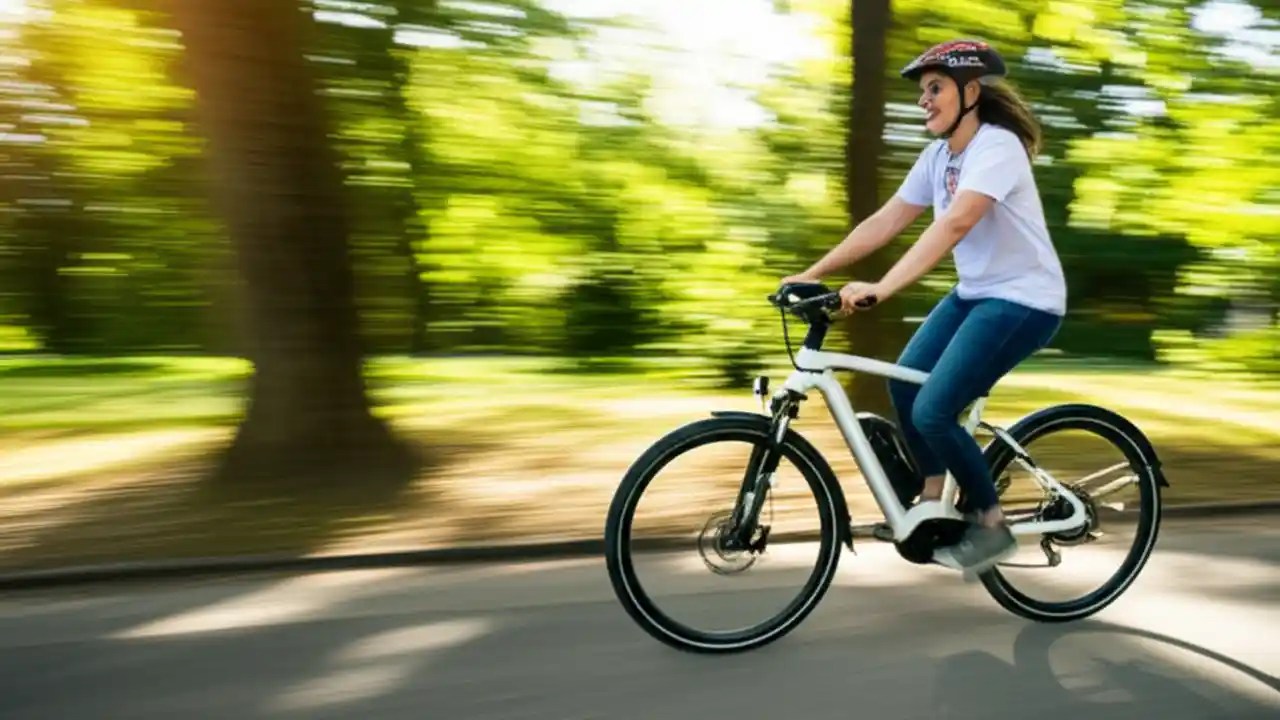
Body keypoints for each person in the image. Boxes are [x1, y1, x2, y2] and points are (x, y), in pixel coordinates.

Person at [780, 40, 1067, 577]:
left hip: (1026, 299)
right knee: (905, 385)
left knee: (933, 408)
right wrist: (812, 274)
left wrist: (883, 287)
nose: (924, 100)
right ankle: (934, 497)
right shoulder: (938, 157)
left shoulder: (996, 147)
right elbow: (884, 223)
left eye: (935, 89)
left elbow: (955, 223)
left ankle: (990, 522)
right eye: (922, 92)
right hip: (977, 293)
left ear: (970, 92)